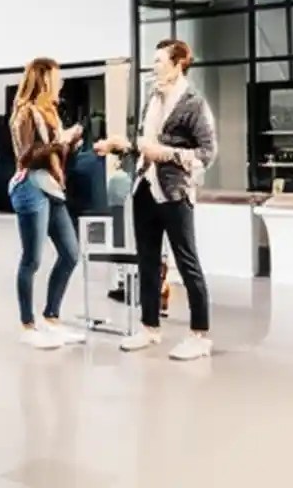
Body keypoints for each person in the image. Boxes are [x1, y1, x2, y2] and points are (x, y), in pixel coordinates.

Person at [94, 39, 217, 361]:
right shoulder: (152, 98)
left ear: (178, 64)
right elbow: (144, 145)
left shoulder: (193, 103)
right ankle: (149, 327)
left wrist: (166, 153)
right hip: (145, 188)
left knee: (187, 262)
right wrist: (121, 146)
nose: (155, 66)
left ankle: (199, 335)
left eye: (160, 60)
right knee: (147, 261)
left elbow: (207, 153)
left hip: (175, 192)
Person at [8, 57, 85, 349]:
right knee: (32, 259)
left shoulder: (50, 112)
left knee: (70, 253)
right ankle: (27, 325)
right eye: (56, 77)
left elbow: (54, 154)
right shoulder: (25, 113)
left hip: (52, 188)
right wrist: (61, 141)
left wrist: (69, 143)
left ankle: (51, 318)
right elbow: (26, 156)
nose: (61, 82)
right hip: (30, 187)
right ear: (43, 80)